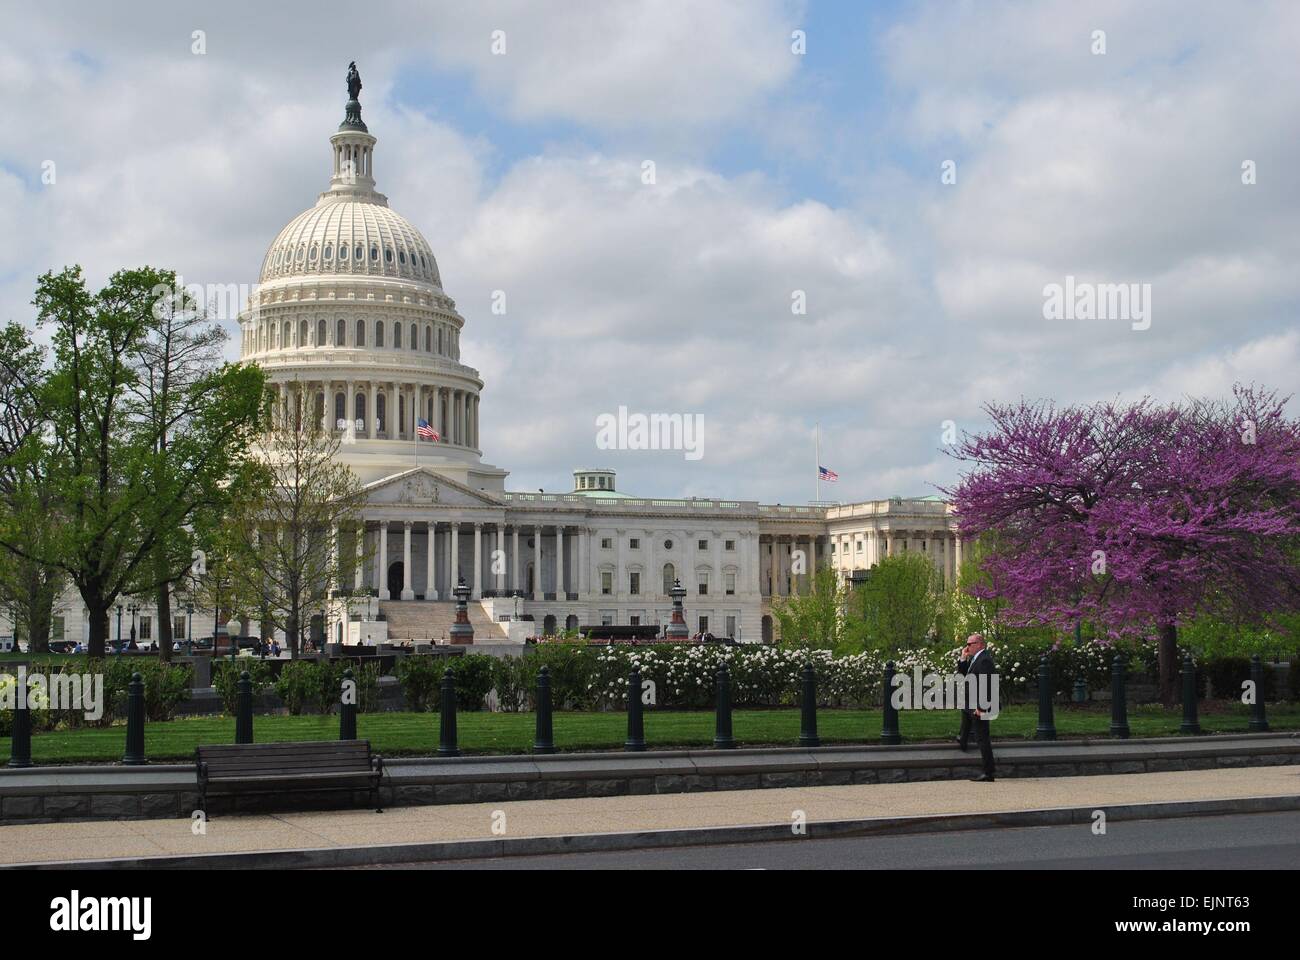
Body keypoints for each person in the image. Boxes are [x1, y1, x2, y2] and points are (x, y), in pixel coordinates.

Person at [956, 633, 997, 782]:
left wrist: (982, 707)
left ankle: (988, 772)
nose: (967, 647)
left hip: (980, 705)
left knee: (982, 738)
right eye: (967, 644)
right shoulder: (976, 659)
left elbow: (988, 685)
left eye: (969, 644)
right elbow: (963, 673)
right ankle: (962, 738)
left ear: (979, 644)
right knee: (965, 717)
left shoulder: (984, 660)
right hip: (971, 703)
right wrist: (963, 657)